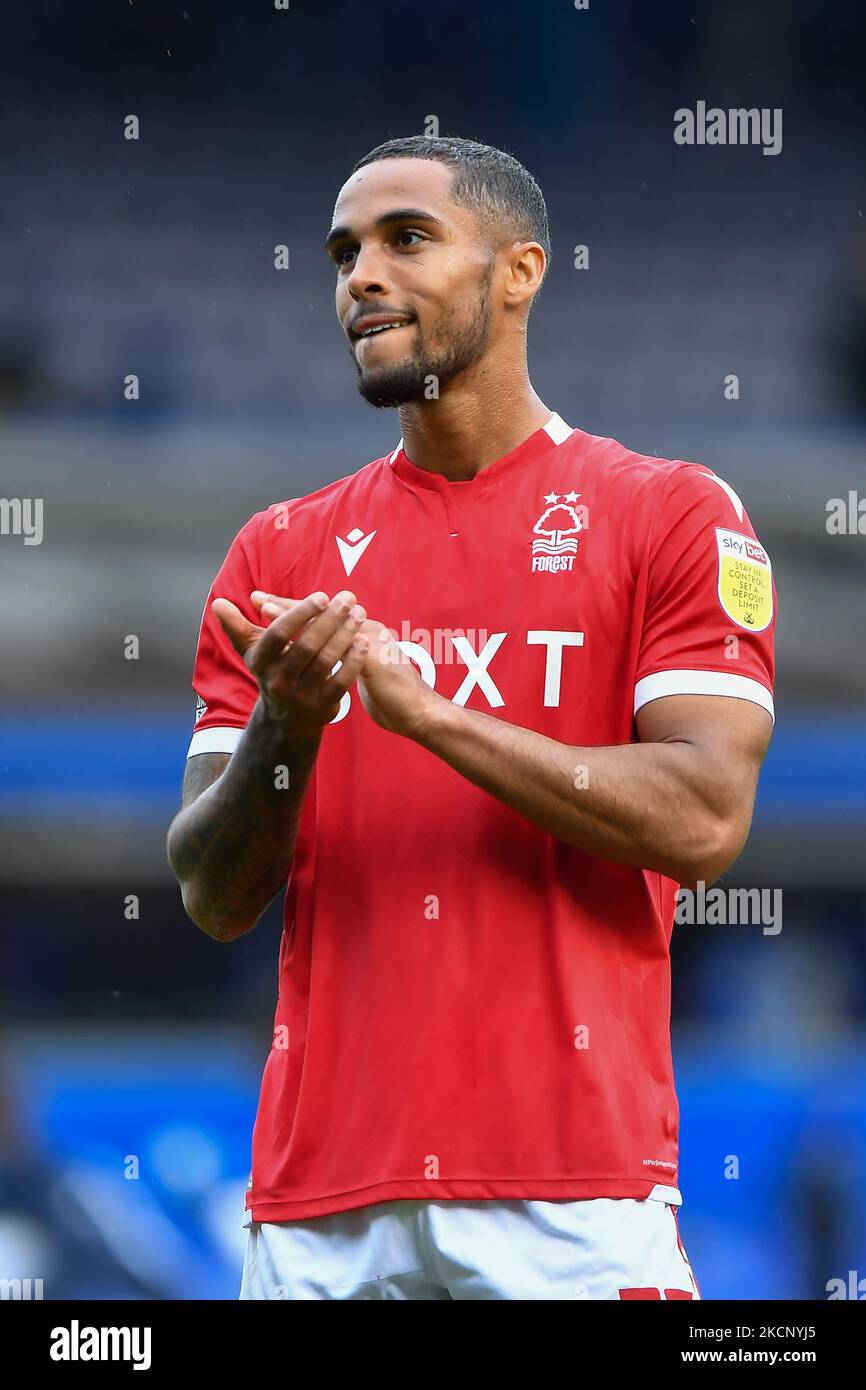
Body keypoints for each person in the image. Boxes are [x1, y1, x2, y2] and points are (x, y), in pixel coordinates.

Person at [167, 136, 775, 1299]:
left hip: (573, 1200)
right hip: (318, 1215)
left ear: (518, 271)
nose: (360, 277)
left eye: (406, 240)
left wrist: (429, 715)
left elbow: (703, 821)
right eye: (344, 252)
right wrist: (288, 728)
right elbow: (210, 893)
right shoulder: (278, 554)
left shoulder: (665, 514)